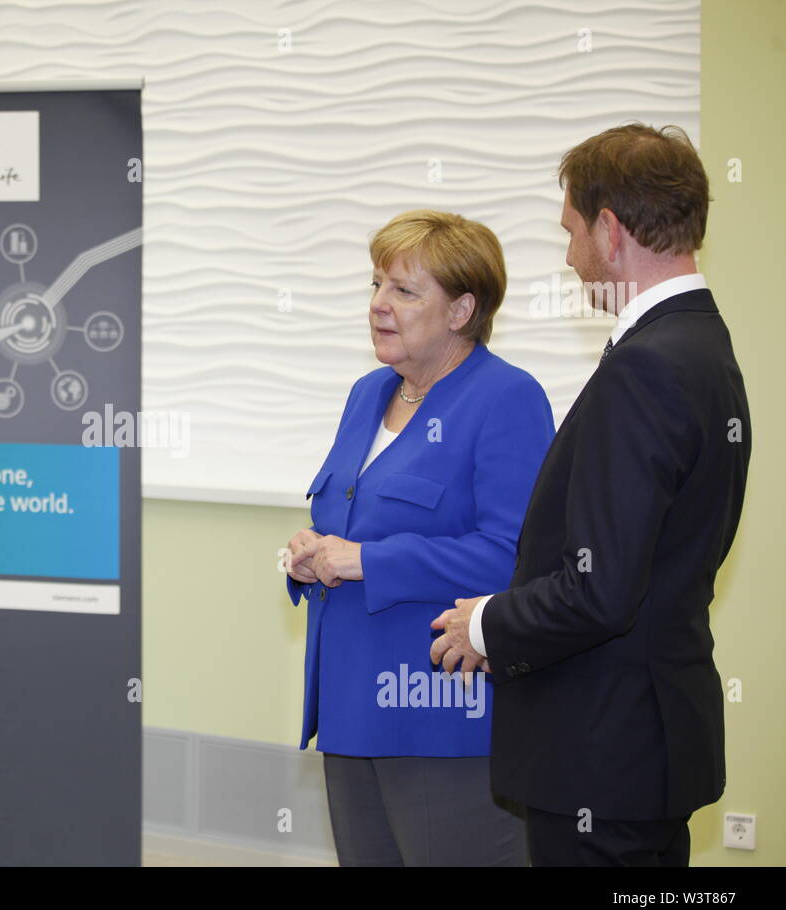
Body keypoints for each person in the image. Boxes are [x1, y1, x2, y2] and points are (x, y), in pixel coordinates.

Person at [430, 124, 751, 866]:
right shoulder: (705, 345)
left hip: (603, 755)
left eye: (571, 231)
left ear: (610, 230)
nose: (569, 256)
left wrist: (488, 624)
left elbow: (600, 589)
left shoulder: (647, 367)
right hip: (652, 742)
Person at [284, 210, 554, 866]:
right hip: (348, 706)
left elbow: (514, 555)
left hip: (441, 713)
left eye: (404, 291)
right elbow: (344, 523)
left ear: (463, 309)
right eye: (375, 286)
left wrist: (366, 561)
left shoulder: (506, 398)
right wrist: (308, 555)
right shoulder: (368, 392)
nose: (379, 305)